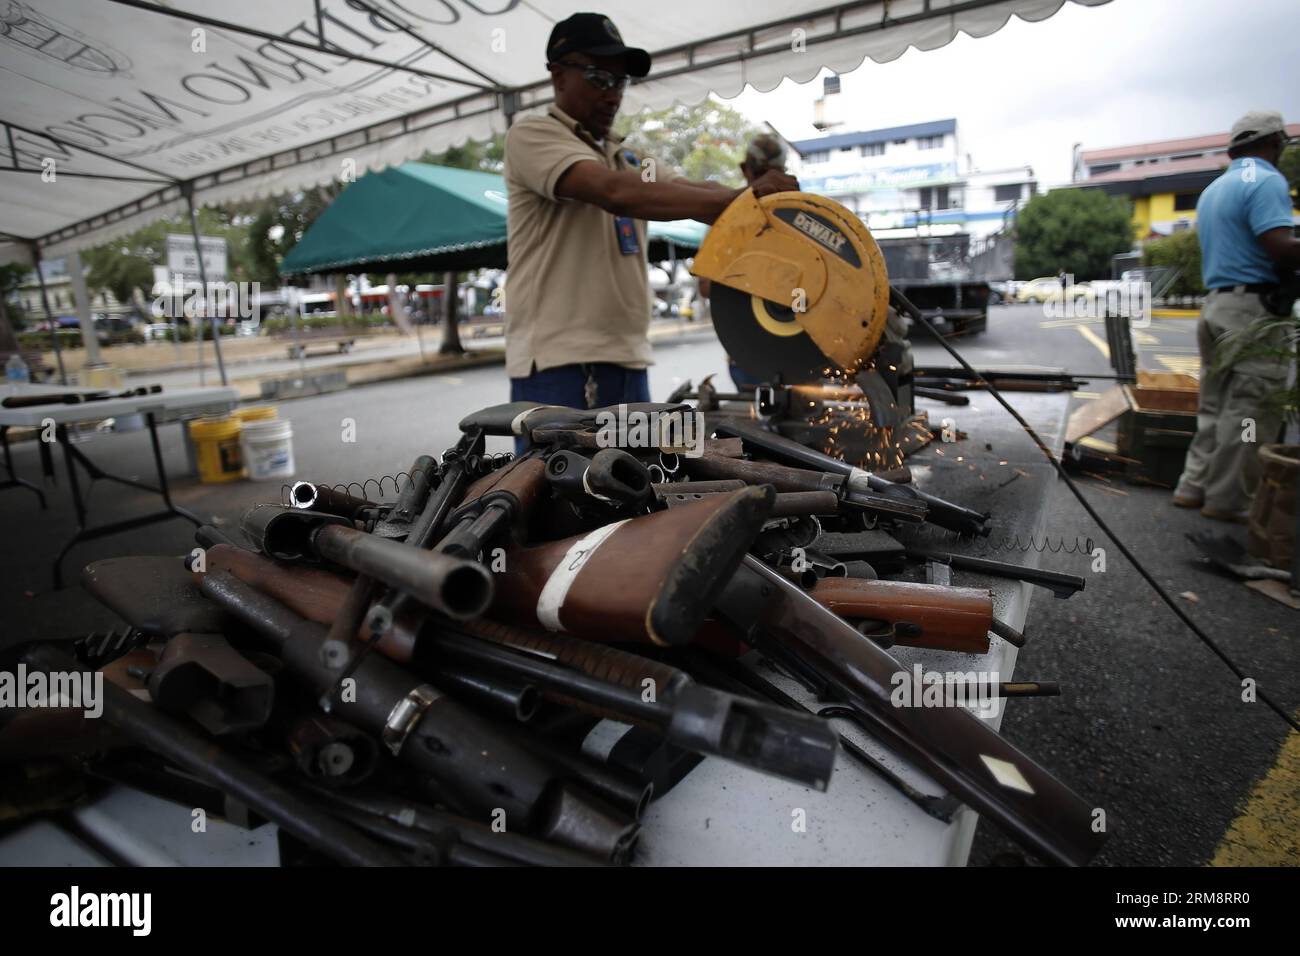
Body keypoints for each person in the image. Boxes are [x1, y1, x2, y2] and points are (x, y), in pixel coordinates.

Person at [503, 12, 798, 415]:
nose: (613, 95)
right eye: (599, 78)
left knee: (630, 476)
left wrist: (755, 201)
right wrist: (740, 202)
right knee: (559, 478)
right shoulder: (533, 136)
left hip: (628, 358)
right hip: (561, 363)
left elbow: (686, 188)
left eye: (620, 81)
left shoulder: (624, 156)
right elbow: (612, 191)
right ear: (558, 75)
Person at [1172, 110, 1300, 521]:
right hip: (1251, 312)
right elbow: (1278, 245)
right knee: (1247, 409)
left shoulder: (1215, 188)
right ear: (1273, 142)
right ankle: (1227, 503)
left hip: (1217, 306)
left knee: (1214, 405)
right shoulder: (1266, 181)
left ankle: (1193, 485)